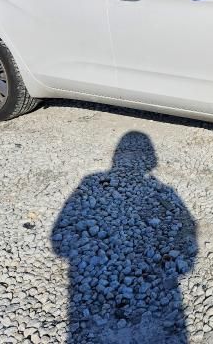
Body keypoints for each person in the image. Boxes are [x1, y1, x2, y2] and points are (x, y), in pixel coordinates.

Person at [52, 131, 198, 343]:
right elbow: (189, 235)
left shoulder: (90, 181)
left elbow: (59, 241)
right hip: (167, 298)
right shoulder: (164, 190)